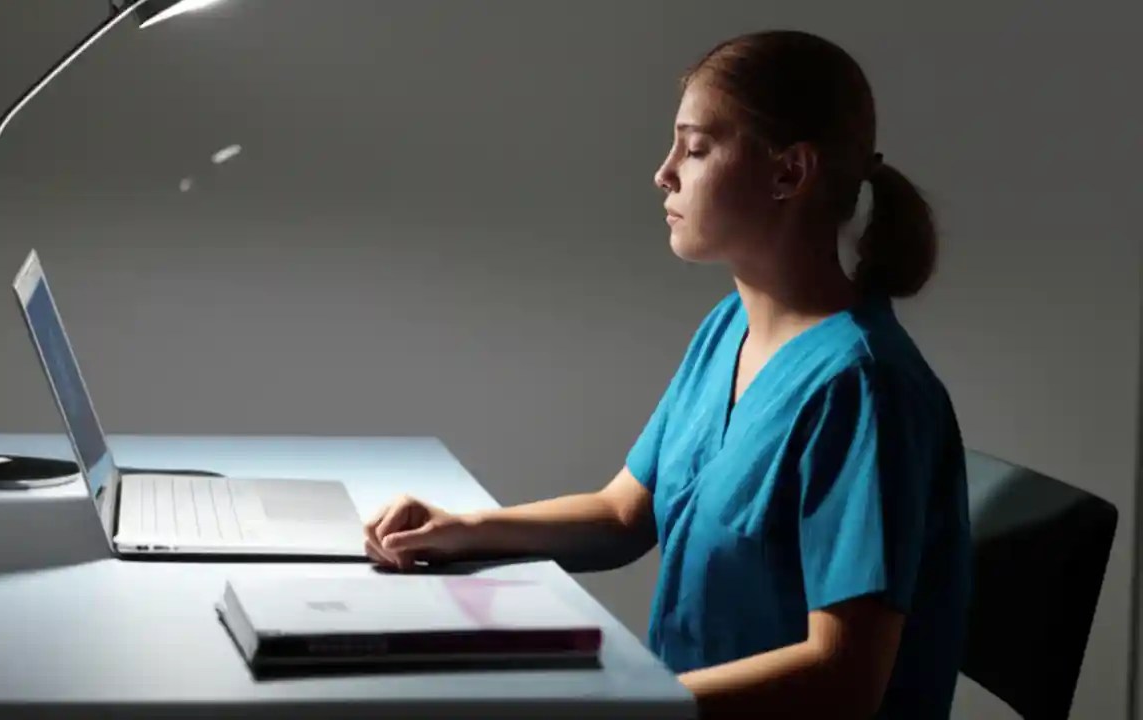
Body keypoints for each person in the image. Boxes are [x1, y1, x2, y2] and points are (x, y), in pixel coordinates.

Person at [364, 29, 970, 720]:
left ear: (789, 173)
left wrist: (626, 706)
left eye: (696, 147)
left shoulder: (863, 388)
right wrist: (463, 528)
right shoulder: (728, 331)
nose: (664, 172)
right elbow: (624, 513)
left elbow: (843, 680)